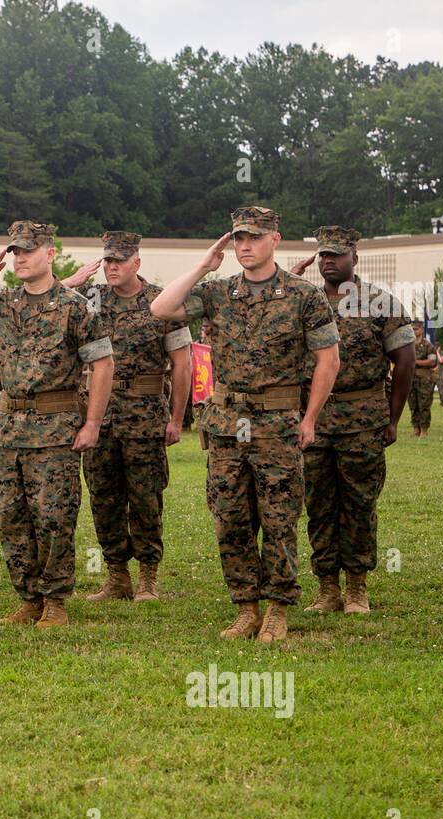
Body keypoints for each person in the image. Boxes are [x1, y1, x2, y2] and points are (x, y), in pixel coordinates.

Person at [149, 206, 340, 643]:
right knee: (230, 518)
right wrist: (203, 264)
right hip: (226, 424)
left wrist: (309, 418)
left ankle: (277, 609)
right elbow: (160, 308)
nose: (245, 246)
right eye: (238, 238)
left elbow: (328, 360)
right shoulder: (217, 293)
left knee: (278, 517)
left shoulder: (302, 296)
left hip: (276, 422)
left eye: (254, 237)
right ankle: (246, 607)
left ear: (276, 238)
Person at [0, 220, 115, 628]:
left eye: (27, 251)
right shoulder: (1, 302)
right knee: (12, 517)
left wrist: (92, 424)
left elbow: (102, 366)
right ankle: (29, 596)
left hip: (57, 428)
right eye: (14, 251)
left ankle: (55, 601)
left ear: (49, 254)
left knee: (53, 516)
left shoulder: (74, 306)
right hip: (12, 428)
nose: (19, 258)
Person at [62, 230, 192, 603]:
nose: (111, 267)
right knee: (104, 497)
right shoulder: (90, 301)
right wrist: (70, 281)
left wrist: (177, 418)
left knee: (146, 497)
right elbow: (44, 298)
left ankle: (148, 578)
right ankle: (117, 576)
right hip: (100, 419)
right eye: (107, 261)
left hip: (145, 416)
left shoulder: (160, 303)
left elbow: (182, 365)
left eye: (119, 260)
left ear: (137, 262)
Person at [290, 226, 413, 615]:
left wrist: (392, 419)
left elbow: (406, 361)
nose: (328, 261)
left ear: (354, 259)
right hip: (315, 423)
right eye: (323, 255)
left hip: (362, 421)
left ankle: (357, 588)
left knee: (359, 503)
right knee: (319, 505)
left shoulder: (379, 303)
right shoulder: (303, 302)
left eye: (337, 255)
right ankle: (327, 588)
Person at [409, 323, 437, 436]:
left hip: (424, 379)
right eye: (412, 329)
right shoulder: (408, 345)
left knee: (424, 404)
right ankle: (416, 428)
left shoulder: (428, 345)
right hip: (411, 379)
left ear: (421, 329)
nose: (414, 331)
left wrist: (415, 362)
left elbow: (432, 361)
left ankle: (424, 429)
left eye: (415, 329)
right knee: (413, 404)